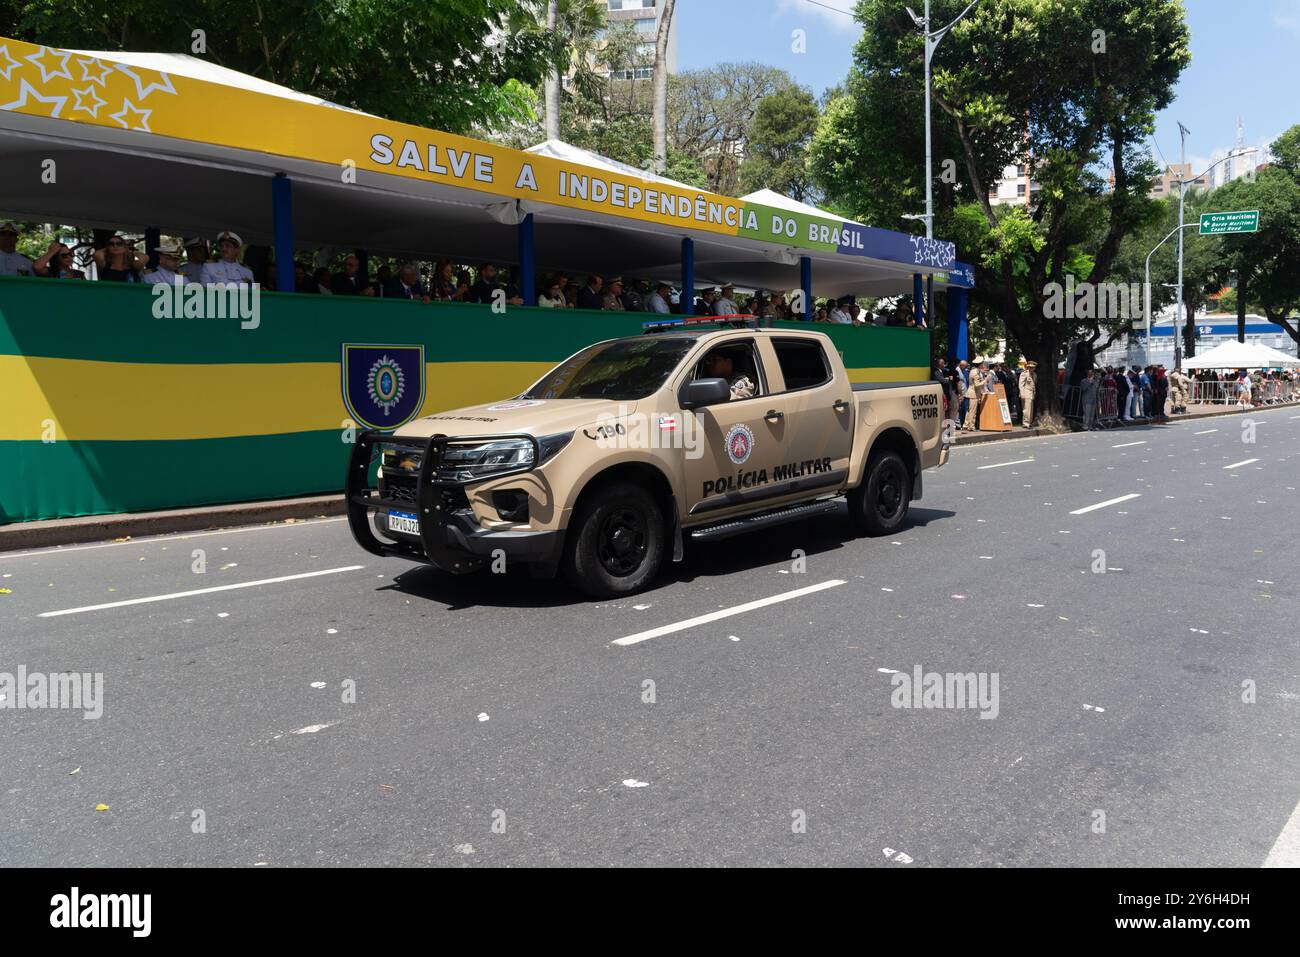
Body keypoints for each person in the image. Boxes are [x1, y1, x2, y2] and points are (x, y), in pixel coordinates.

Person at [965, 362, 988, 431]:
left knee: (970, 411)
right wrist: (985, 380)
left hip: (973, 393)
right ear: (980, 365)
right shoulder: (975, 372)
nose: (983, 365)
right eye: (982, 364)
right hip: (974, 394)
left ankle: (966, 425)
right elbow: (977, 385)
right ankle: (971, 426)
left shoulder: (973, 371)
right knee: (973, 411)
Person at [1019, 361, 1037, 428]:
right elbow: (1021, 384)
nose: (1031, 368)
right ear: (1027, 367)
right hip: (1026, 393)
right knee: (1026, 409)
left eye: (1033, 367)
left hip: (1031, 393)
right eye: (1030, 367)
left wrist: (1034, 393)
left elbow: (1034, 385)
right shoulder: (1024, 374)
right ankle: (1025, 423)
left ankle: (1029, 422)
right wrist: (1022, 393)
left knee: (1030, 409)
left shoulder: (1035, 374)